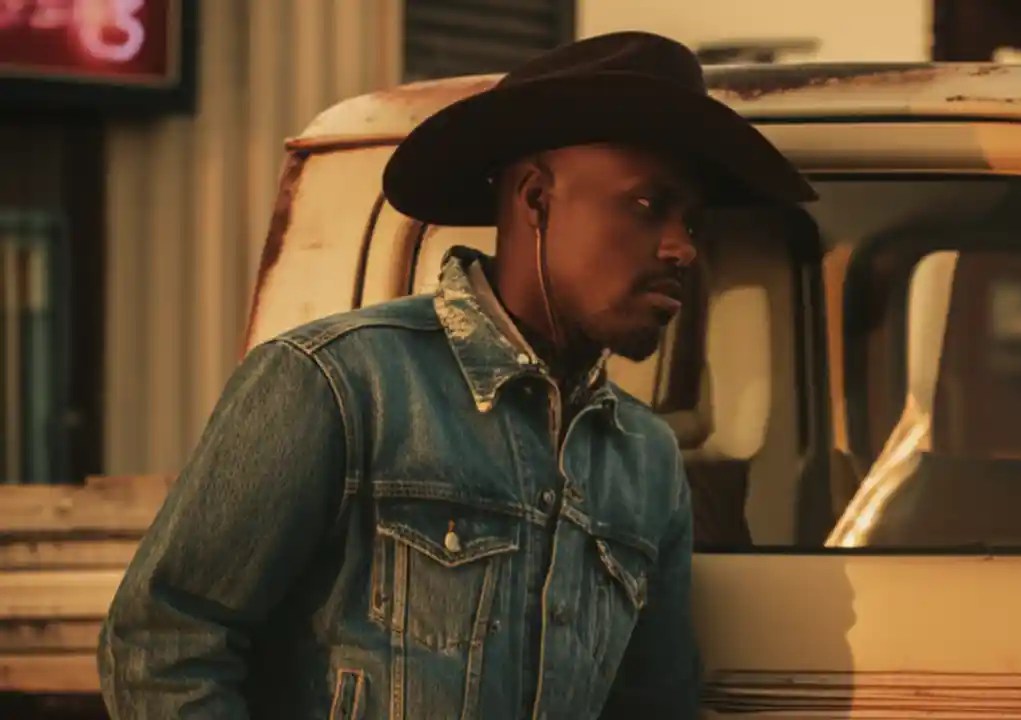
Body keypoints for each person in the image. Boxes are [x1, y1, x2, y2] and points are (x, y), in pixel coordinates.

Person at [98, 30, 814, 719]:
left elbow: (652, 703)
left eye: (693, 222)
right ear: (535, 198)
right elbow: (167, 641)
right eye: (647, 204)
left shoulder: (646, 461)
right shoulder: (340, 386)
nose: (681, 248)